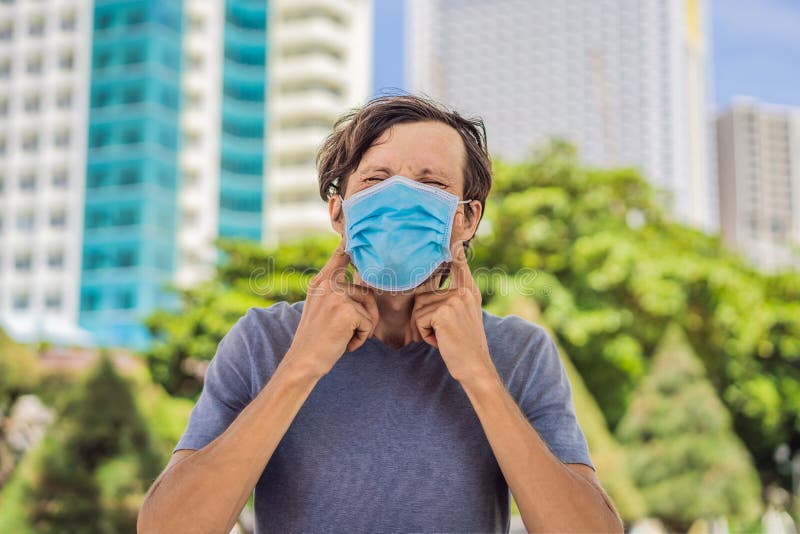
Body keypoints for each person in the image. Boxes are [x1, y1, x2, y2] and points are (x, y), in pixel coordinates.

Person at [137, 95, 623, 533]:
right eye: (375, 179)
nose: (399, 197)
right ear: (338, 211)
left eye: (430, 182)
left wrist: (479, 374)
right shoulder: (262, 340)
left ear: (467, 218)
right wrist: (302, 364)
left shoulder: (519, 352)